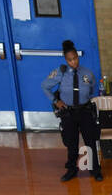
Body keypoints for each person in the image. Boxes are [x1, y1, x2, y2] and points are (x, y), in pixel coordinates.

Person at [42, 39, 100, 182]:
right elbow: (45, 86)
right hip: (69, 112)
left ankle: (95, 170)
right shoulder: (60, 73)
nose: (73, 62)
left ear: (78, 57)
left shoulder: (87, 73)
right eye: (70, 60)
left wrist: (85, 98)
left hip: (85, 110)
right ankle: (72, 169)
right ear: (66, 60)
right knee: (71, 143)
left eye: (75, 58)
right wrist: (56, 101)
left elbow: (92, 89)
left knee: (90, 141)